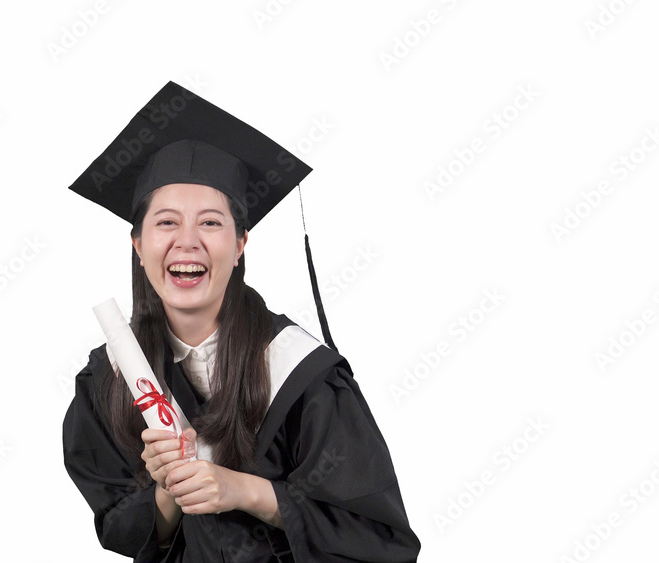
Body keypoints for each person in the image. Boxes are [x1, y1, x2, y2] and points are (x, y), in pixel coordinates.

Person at [63, 82, 421, 562]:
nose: (187, 241)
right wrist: (168, 491)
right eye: (166, 222)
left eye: (210, 223)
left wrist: (245, 492)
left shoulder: (301, 374)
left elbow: (381, 542)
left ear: (239, 246)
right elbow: (122, 533)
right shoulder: (109, 379)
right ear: (138, 245)